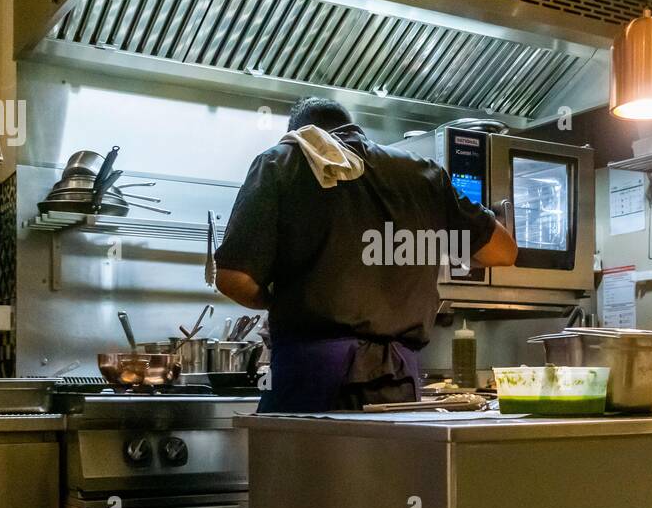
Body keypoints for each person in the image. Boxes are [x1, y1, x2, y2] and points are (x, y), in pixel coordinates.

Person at [215, 96, 517, 412]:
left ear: (301, 134)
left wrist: (286, 297)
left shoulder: (282, 161)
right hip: (398, 385)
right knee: (387, 462)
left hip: (311, 378)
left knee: (302, 462)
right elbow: (504, 251)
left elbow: (233, 278)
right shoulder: (423, 173)